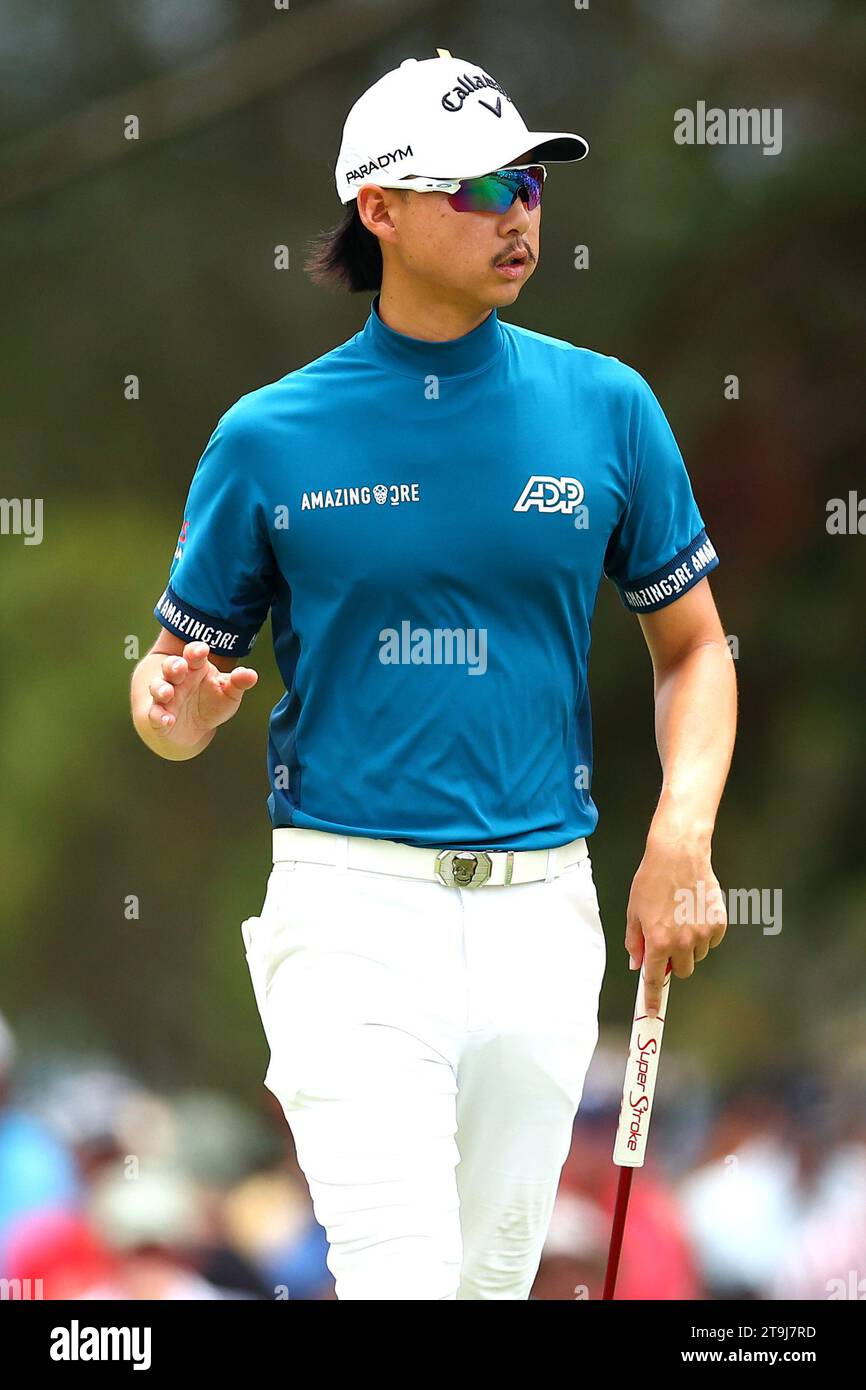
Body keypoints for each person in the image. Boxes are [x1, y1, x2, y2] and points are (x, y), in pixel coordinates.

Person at [129, 50, 737, 1300]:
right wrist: (177, 714)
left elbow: (692, 651)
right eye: (474, 189)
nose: (515, 210)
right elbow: (178, 692)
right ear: (379, 210)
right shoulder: (268, 436)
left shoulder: (606, 406)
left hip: (541, 911)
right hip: (351, 910)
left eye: (525, 181)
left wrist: (680, 833)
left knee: (490, 1279)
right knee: (400, 1275)